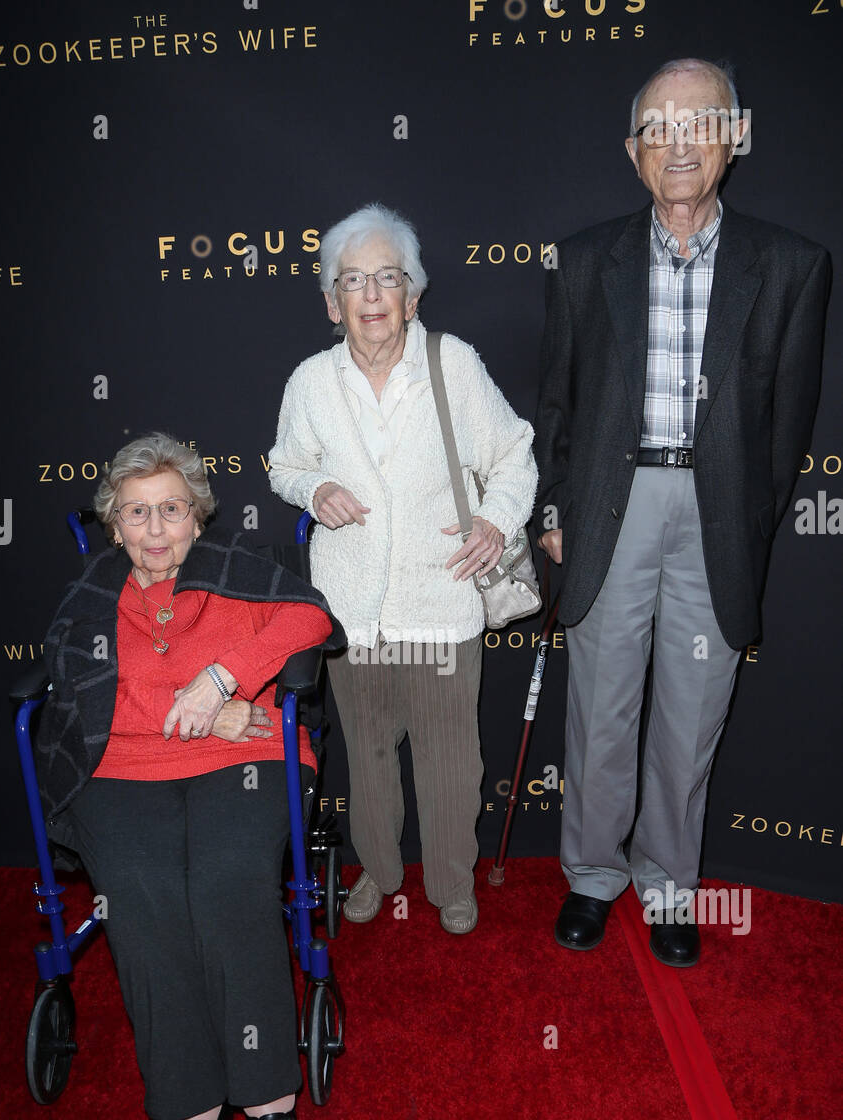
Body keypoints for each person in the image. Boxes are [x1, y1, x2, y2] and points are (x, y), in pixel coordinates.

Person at [534, 58, 831, 967]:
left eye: (698, 123)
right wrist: (554, 507)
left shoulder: (791, 265)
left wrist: (746, 519)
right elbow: (560, 404)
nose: (678, 142)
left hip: (714, 509)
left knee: (692, 713)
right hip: (609, 511)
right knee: (600, 710)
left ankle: (668, 883)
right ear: (633, 152)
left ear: (734, 138)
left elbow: (789, 426)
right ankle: (592, 876)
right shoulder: (585, 260)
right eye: (657, 127)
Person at [35, 433, 342, 1120]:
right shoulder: (92, 595)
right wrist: (214, 720)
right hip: (124, 767)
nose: (155, 528)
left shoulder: (235, 574)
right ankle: (190, 1115)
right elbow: (76, 695)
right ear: (114, 525)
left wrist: (225, 680)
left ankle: (270, 1107)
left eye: (171, 509)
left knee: (228, 880)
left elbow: (312, 622)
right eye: (137, 513)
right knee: (138, 895)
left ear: (197, 517)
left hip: (242, 757)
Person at [268, 203, 537, 935]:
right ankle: (380, 874)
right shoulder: (311, 381)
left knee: (452, 763)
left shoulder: (453, 363)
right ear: (332, 301)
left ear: (413, 293)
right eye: (353, 280)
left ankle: (453, 881)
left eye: (388, 276)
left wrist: (497, 520)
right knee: (369, 758)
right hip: (353, 611)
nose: (373, 295)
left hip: (441, 598)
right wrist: (312, 488)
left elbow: (514, 451)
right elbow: (284, 466)